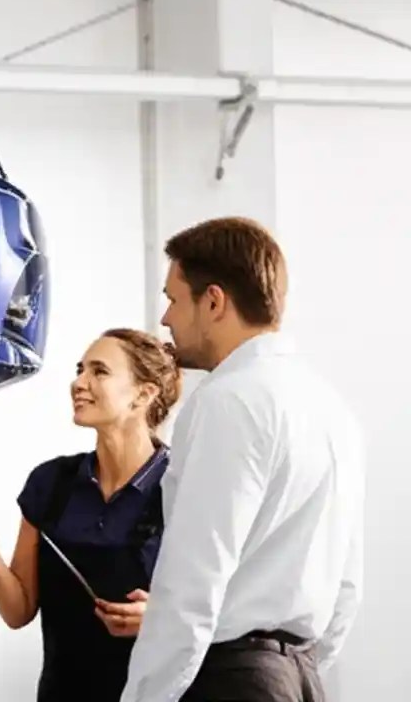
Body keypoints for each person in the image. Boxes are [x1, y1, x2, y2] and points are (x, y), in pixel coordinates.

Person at [119, 216, 366, 702]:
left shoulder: (227, 400)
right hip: (298, 679)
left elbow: (192, 580)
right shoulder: (332, 408)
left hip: (234, 679)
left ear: (213, 301)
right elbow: (347, 586)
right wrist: (293, 672)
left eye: (173, 298)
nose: (166, 318)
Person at [0, 327, 182, 702]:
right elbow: (18, 610)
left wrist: (164, 619)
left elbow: (222, 605)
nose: (79, 382)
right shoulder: (51, 483)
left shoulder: (182, 486)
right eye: (80, 369)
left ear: (143, 394)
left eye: (99, 371)